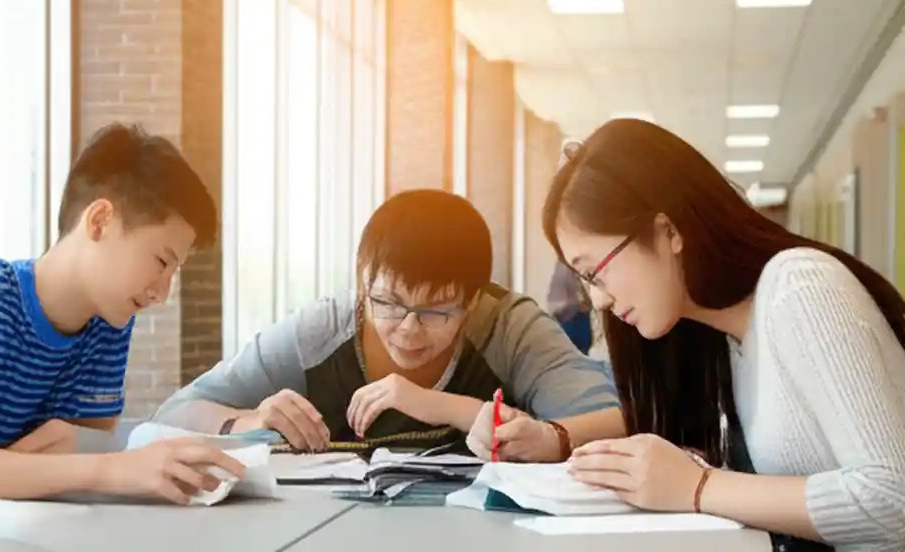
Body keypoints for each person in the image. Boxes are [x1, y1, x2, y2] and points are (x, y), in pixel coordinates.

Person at [0, 124, 246, 517]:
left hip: (8, 531)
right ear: (99, 221)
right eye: (161, 262)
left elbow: (77, 453)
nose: (162, 292)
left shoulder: (108, 326)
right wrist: (110, 468)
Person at [549, 119, 905, 550]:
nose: (599, 301)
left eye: (593, 273)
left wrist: (699, 486)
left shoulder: (800, 286)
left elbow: (894, 499)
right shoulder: (723, 339)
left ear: (669, 231)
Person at [153, 189, 623, 461]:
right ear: (363, 284)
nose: (408, 330)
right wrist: (247, 420)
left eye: (438, 310)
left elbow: (619, 423)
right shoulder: (324, 329)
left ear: (474, 299)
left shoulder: (510, 328)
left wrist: (445, 407)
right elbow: (175, 412)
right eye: (388, 303)